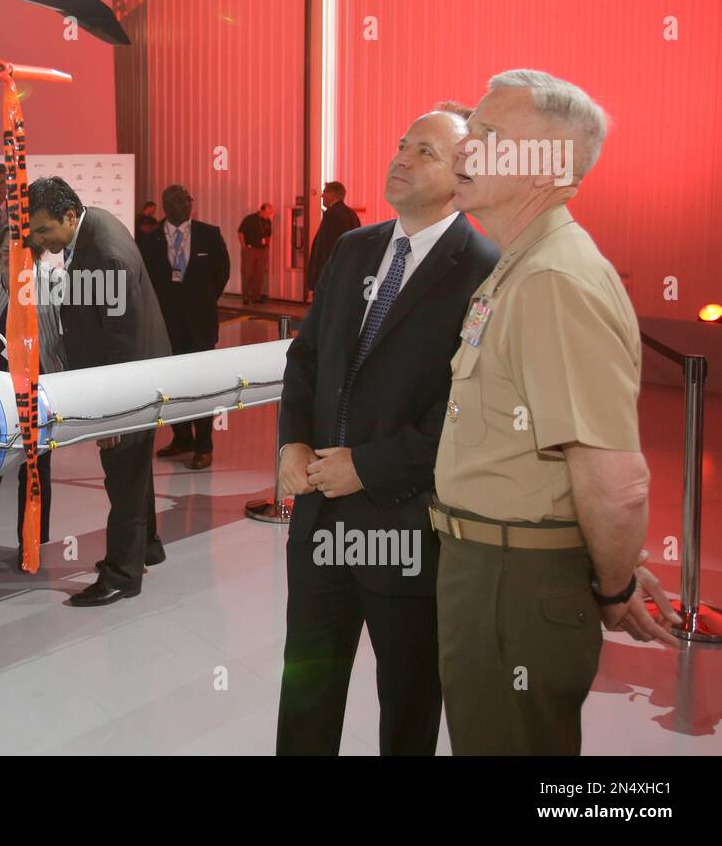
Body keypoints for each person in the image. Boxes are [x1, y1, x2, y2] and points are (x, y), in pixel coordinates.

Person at [434, 69, 681, 755]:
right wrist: (608, 564)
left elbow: (616, 478)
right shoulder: (525, 264)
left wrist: (616, 581)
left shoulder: (550, 279)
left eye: (486, 136)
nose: (463, 152)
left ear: (545, 167)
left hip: (511, 585)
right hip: (499, 568)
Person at [275, 107, 498, 755]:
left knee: (408, 701)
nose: (400, 158)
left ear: (464, 172)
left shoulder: (484, 269)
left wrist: (369, 466)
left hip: (410, 528)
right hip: (321, 523)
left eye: (424, 151)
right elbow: (308, 357)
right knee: (307, 689)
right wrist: (292, 439)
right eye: (402, 144)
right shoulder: (355, 249)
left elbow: (471, 413)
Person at [27, 176, 171, 606]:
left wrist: (115, 414)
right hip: (135, 371)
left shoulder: (105, 252)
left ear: (69, 216)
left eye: (42, 230)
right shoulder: (93, 228)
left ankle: (123, 575)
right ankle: (147, 545)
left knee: (123, 473)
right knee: (135, 468)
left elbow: (121, 342)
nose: (39, 239)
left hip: (126, 383)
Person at [0, 237, 67, 574]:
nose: (7, 258)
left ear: (33, 254)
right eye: (3, 251)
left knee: (36, 470)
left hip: (35, 386)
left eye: (15, 252)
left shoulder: (52, 281)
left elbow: (60, 335)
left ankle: (31, 543)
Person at [141, 184, 231, 470]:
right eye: (180, 201)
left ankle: (204, 445)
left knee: (202, 387)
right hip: (167, 326)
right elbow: (148, 282)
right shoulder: (150, 240)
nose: (187, 204)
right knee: (173, 386)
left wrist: (202, 302)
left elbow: (222, 273)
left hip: (200, 326)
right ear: (166, 206)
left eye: (188, 199)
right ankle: (181, 438)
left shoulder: (209, 234)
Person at [306, 181, 361, 295]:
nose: (322, 196)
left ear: (333, 194)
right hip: (347, 267)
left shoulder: (331, 214)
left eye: (324, 192)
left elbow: (328, 245)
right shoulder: (351, 214)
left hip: (332, 270)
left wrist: (322, 273)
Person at [237, 203, 274, 303]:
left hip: (262, 250)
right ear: (261, 211)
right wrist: (244, 246)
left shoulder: (268, 222)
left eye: (270, 214)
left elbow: (268, 235)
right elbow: (240, 232)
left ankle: (256, 297)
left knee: (259, 274)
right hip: (250, 250)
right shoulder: (249, 219)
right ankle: (245, 297)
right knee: (247, 273)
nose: (268, 216)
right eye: (267, 213)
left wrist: (267, 246)